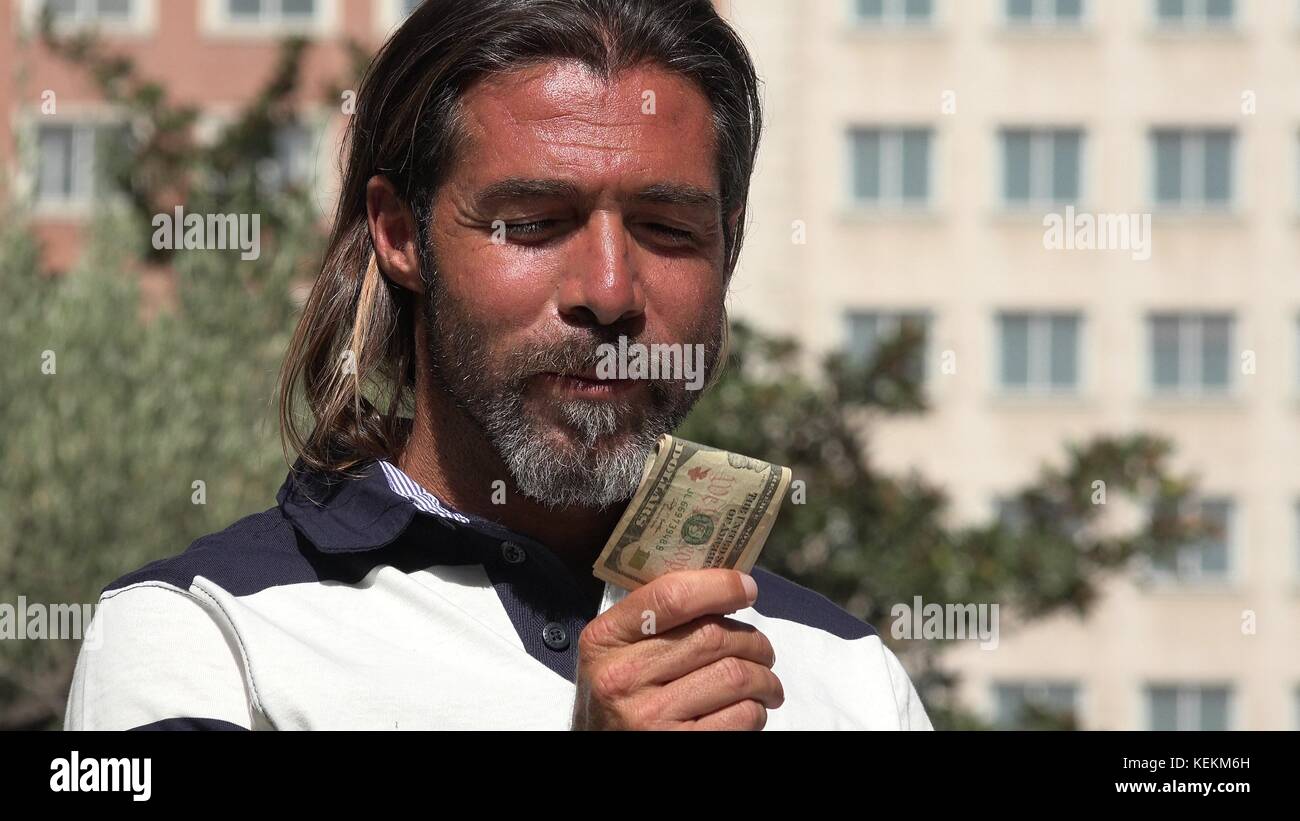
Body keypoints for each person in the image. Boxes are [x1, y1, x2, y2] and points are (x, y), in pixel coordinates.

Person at [64, 0, 932, 731]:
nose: (608, 289)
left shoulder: (851, 677)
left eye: (668, 229)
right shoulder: (199, 631)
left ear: (729, 247)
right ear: (400, 235)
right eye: (533, 221)